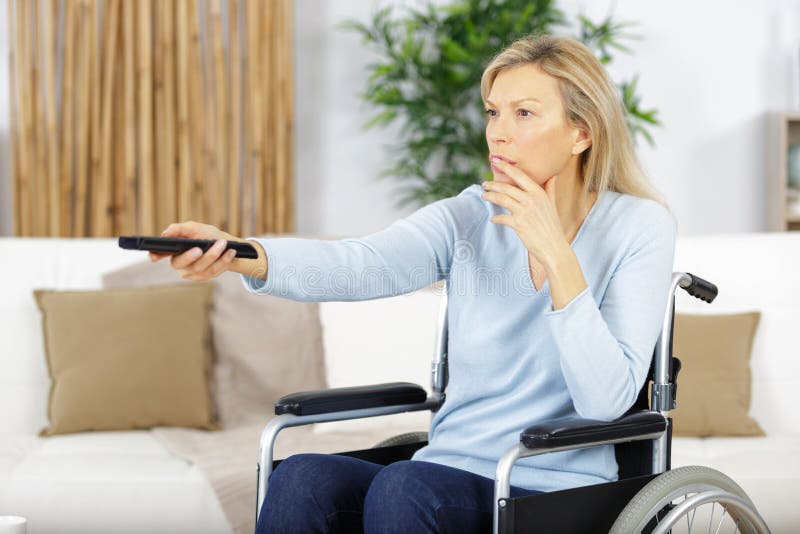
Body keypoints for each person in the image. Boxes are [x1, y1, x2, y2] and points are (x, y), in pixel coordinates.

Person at [153, 34, 676, 534]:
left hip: (551, 484)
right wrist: (242, 255)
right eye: (493, 112)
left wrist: (557, 256)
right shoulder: (468, 216)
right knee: (302, 477)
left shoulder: (638, 226)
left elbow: (606, 399)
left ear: (581, 132)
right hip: (446, 472)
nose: (498, 131)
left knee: (406, 486)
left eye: (524, 113)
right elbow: (360, 264)